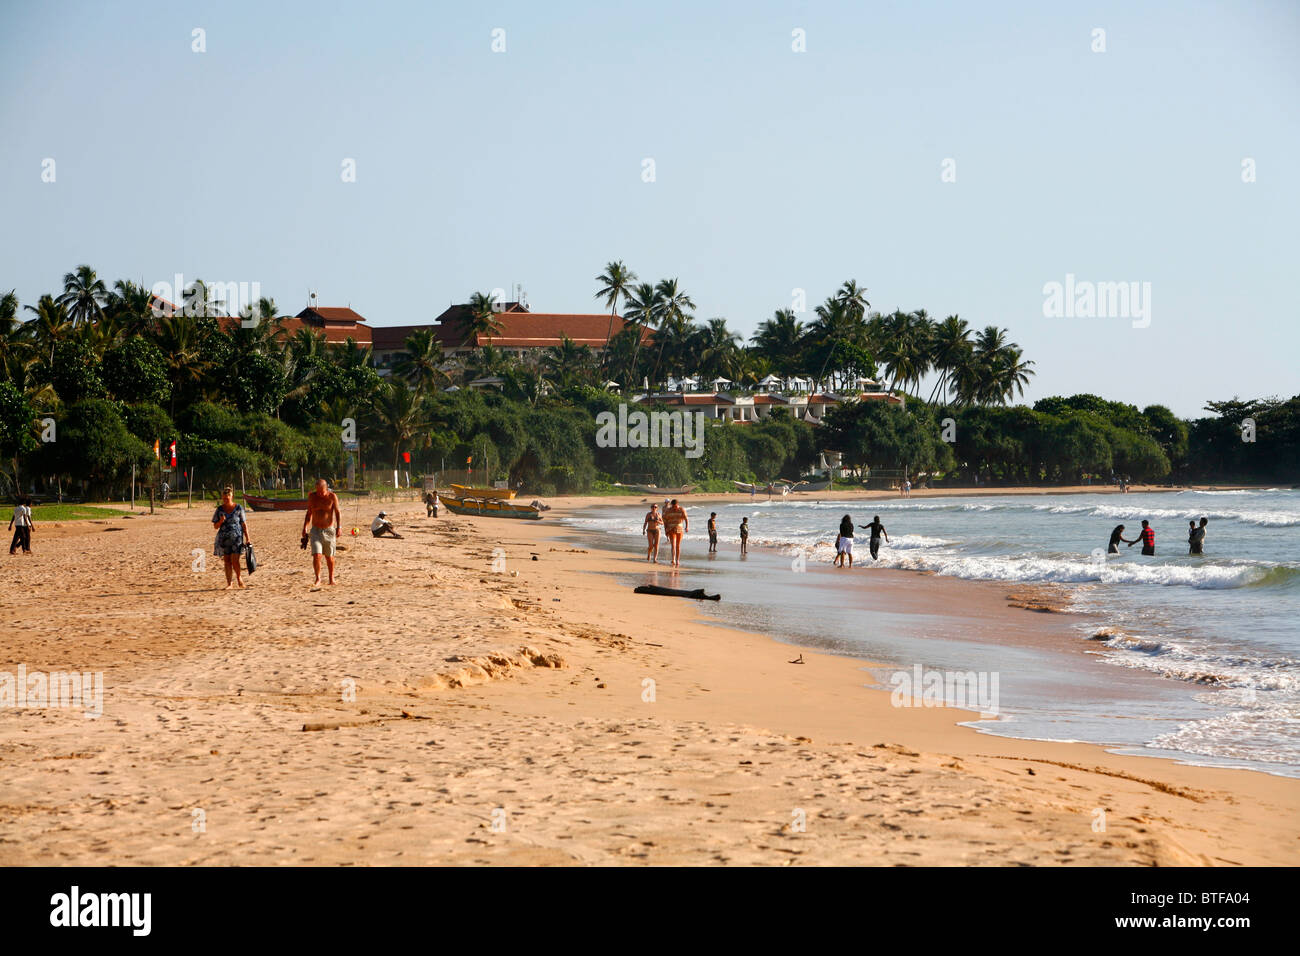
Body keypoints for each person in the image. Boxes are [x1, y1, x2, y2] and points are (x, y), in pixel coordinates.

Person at [302, 478, 342, 587]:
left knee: (329, 557)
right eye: (317, 491)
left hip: (329, 530)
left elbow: (337, 513)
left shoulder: (332, 497)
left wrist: (339, 527)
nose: (319, 493)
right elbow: (309, 513)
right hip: (315, 530)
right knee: (317, 555)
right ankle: (318, 578)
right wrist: (305, 527)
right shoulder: (312, 497)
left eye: (322, 491)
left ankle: (331, 578)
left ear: (326, 489)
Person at [211, 486, 250, 589]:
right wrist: (220, 521)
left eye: (227, 498)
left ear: (231, 497)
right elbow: (215, 526)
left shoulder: (238, 508)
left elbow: (244, 524)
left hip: (237, 538)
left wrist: (248, 538)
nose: (225, 500)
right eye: (223, 498)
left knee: (235, 560)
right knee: (227, 561)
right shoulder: (219, 510)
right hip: (224, 539)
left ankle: (239, 578)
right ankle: (229, 584)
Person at [662, 498, 689, 567]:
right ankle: (673, 559)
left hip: (679, 528)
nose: (674, 508)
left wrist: (687, 527)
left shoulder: (681, 509)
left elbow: (686, 518)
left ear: (677, 504)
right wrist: (665, 529)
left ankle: (677, 560)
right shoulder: (668, 510)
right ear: (671, 505)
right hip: (671, 528)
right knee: (673, 545)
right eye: (673, 506)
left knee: (678, 545)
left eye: (675, 506)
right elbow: (665, 520)